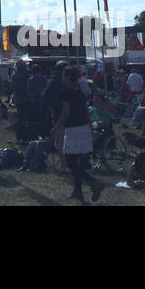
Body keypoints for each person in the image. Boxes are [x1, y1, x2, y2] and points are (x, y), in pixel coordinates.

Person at [53, 67, 103, 203]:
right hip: (83, 128)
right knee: (77, 162)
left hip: (73, 129)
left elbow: (65, 114)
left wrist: (55, 128)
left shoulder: (66, 93)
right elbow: (87, 113)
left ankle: (93, 182)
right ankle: (78, 191)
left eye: (64, 76)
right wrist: (91, 130)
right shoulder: (80, 93)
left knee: (70, 162)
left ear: (69, 78)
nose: (62, 78)